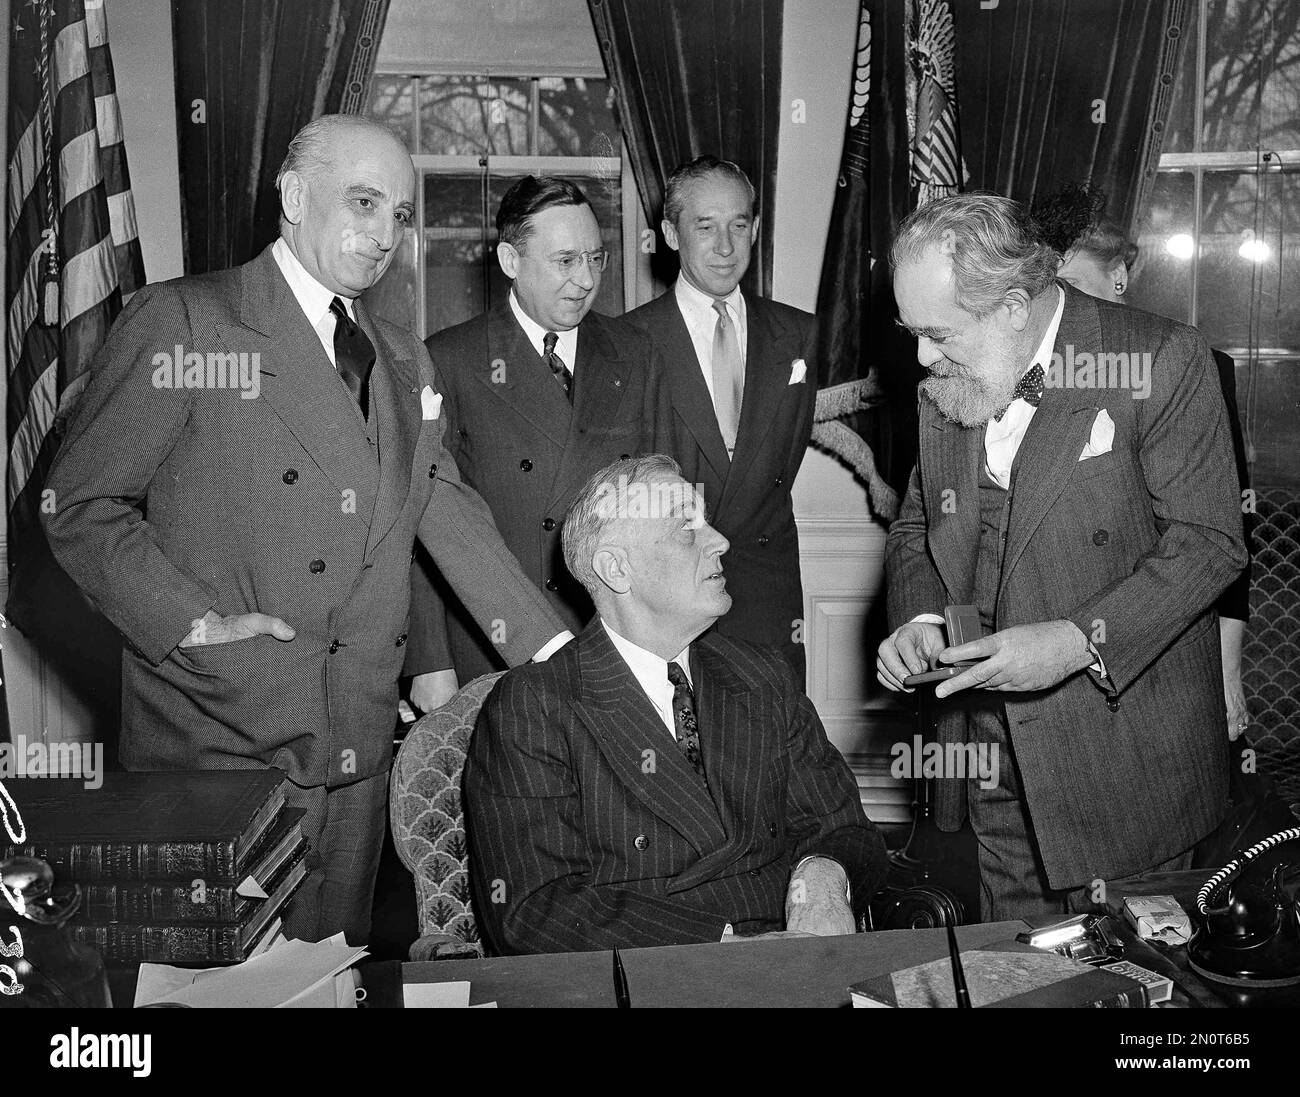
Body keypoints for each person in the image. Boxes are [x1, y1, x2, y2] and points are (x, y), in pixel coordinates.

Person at [42, 115, 568, 945]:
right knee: (218, 994)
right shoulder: (187, 321)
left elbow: (445, 510)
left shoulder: (403, 359)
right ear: (292, 196)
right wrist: (190, 623)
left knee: (332, 978)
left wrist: (560, 657)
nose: (385, 232)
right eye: (364, 201)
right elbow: (75, 505)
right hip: (221, 739)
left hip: (357, 751)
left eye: (399, 213)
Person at [876, 193, 1247, 922]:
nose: (920, 357)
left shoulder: (1161, 359)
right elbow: (921, 521)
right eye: (911, 331)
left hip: (1126, 758)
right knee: (1018, 971)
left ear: (1015, 307)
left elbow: (1209, 543)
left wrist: (1081, 640)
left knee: (1132, 981)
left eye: (937, 333)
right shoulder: (946, 379)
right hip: (991, 753)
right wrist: (920, 614)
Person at [466, 455, 888, 953]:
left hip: (799, 956)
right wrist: (727, 948)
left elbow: (846, 830)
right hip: (652, 974)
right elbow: (534, 910)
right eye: (688, 529)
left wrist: (822, 876)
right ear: (617, 568)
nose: (721, 541)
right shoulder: (535, 706)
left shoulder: (760, 674)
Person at [404, 176, 672, 713]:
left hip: (612, 631)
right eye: (565, 261)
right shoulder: (449, 358)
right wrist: (430, 662)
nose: (586, 280)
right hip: (490, 636)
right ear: (510, 259)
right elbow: (424, 522)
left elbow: (663, 505)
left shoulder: (635, 351)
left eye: (596, 259)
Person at [1032, 183, 1254, 743]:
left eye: (1077, 287)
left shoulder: (1188, 365)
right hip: (1055, 645)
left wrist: (1228, 673)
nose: (1066, 308)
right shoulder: (1034, 377)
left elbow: (1223, 537)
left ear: (1119, 278)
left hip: (1170, 634)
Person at [626, 156, 816, 680]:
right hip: (669, 589)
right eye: (705, 227)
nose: (725, 247)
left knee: (772, 749)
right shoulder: (627, 342)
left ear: (756, 228)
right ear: (670, 233)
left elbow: (782, 462)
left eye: (739, 225)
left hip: (768, 593)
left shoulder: (799, 335)